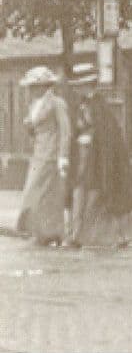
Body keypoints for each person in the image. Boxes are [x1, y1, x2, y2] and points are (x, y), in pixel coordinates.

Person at [67, 75, 132, 249]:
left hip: (95, 158)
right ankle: (80, 235)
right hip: (85, 155)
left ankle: (85, 236)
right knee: (87, 195)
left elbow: (104, 134)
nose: (77, 90)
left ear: (88, 86)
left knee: (97, 197)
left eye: (79, 86)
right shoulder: (84, 104)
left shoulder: (99, 106)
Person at [16, 66, 70, 246]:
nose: (30, 90)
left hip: (52, 155)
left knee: (44, 195)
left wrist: (63, 156)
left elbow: (66, 131)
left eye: (33, 86)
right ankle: (43, 232)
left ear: (43, 86)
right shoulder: (33, 104)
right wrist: (29, 127)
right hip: (38, 154)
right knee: (38, 194)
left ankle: (50, 233)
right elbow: (34, 130)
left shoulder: (57, 103)